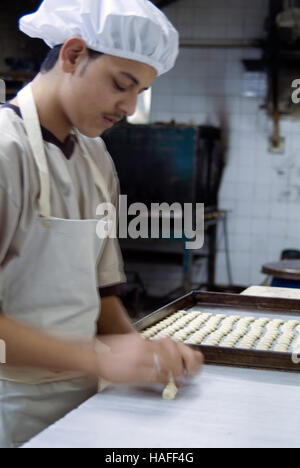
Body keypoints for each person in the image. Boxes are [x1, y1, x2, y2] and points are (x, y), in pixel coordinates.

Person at [0, 0, 203, 448]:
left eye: (141, 93)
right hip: (12, 403)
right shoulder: (6, 151)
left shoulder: (94, 157)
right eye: (121, 84)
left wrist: (144, 354)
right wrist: (102, 359)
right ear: (73, 55)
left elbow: (101, 289)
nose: (129, 107)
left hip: (87, 397)